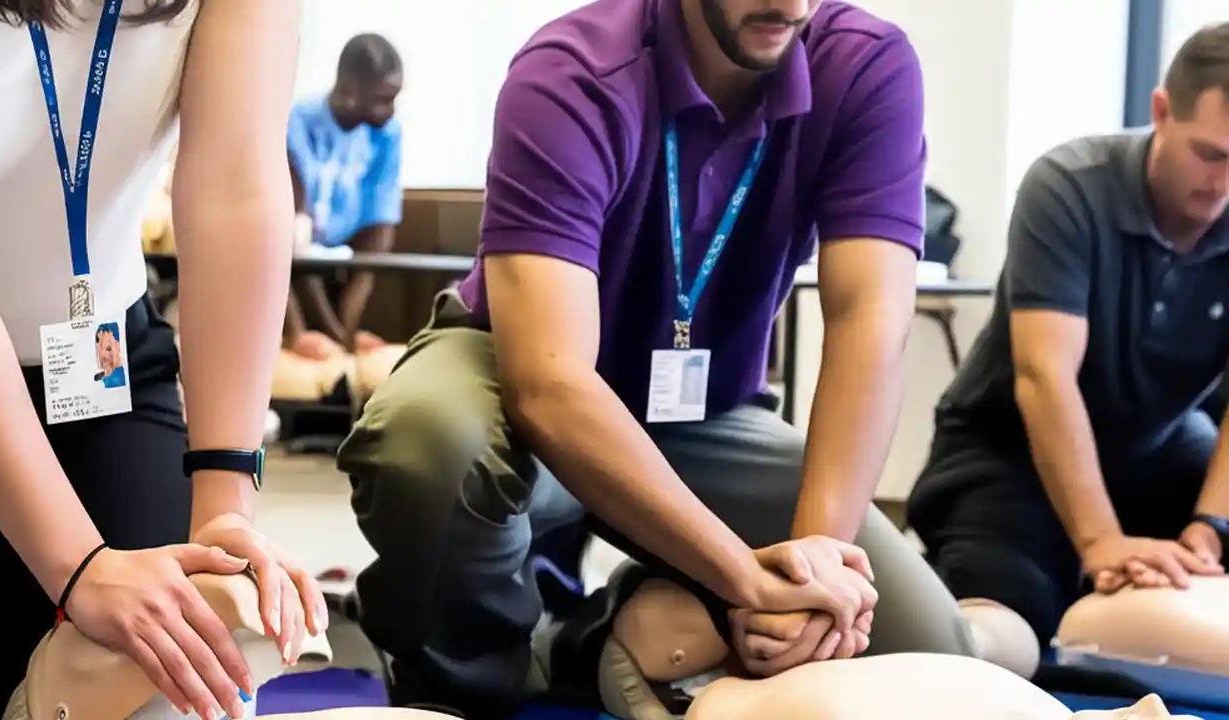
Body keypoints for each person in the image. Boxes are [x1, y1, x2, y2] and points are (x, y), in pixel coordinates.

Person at [337, 0, 972, 716]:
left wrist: (811, 569)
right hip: (518, 370)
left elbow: (870, 321)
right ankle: (478, 679)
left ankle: (594, 633)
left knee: (931, 653)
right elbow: (548, 385)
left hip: (704, 413)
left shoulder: (865, 65)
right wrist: (743, 580)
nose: (790, 5)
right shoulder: (573, 71)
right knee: (428, 446)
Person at [0, 0, 325, 717]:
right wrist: (78, 567)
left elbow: (236, 185)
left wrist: (225, 515)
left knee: (175, 670)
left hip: (102, 364)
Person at [906, 22, 1229, 652]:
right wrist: (1100, 542)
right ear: (1161, 112)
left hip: (1156, 452)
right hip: (1009, 451)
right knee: (1011, 623)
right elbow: (1043, 379)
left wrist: (1210, 527)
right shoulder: (1069, 185)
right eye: (1211, 154)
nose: (1223, 183)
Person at [285, 32, 404, 359]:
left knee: (381, 234)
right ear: (350, 93)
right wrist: (335, 337)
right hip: (297, 256)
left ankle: (345, 331)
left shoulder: (388, 135)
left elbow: (379, 221)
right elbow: (297, 225)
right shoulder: (298, 121)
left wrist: (347, 331)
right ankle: (300, 332)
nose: (390, 110)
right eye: (382, 99)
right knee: (289, 231)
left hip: (343, 252)